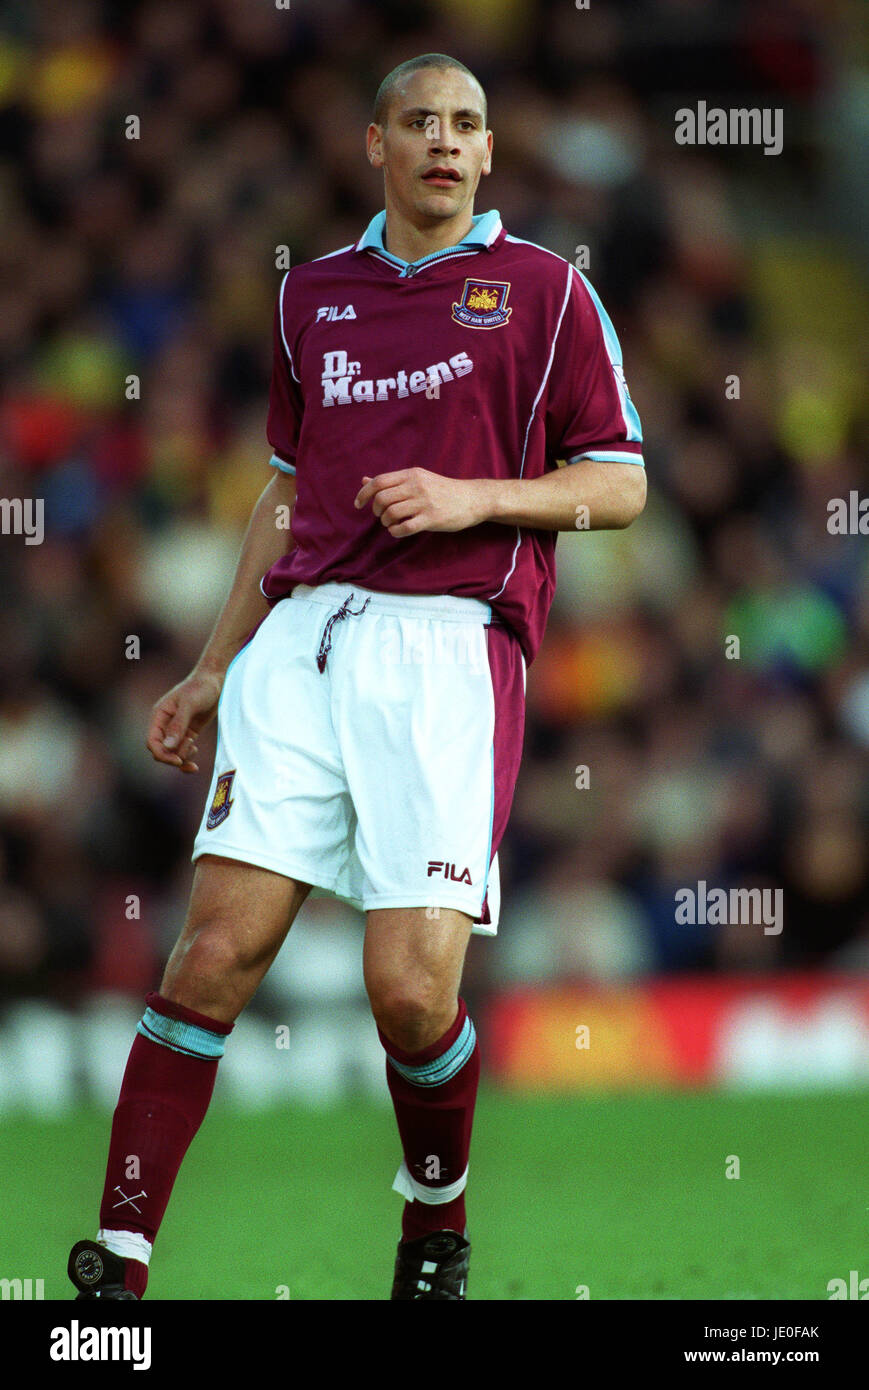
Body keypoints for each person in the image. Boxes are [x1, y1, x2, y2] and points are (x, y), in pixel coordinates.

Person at [67, 52, 645, 1302]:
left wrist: (474, 497)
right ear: (373, 141)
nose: (445, 141)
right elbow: (288, 489)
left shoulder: (546, 294)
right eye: (421, 121)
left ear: (489, 153)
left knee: (406, 994)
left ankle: (433, 1221)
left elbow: (622, 481)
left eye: (468, 124)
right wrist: (215, 663)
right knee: (210, 955)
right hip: (302, 642)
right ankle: (117, 1265)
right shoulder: (309, 298)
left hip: (447, 650)